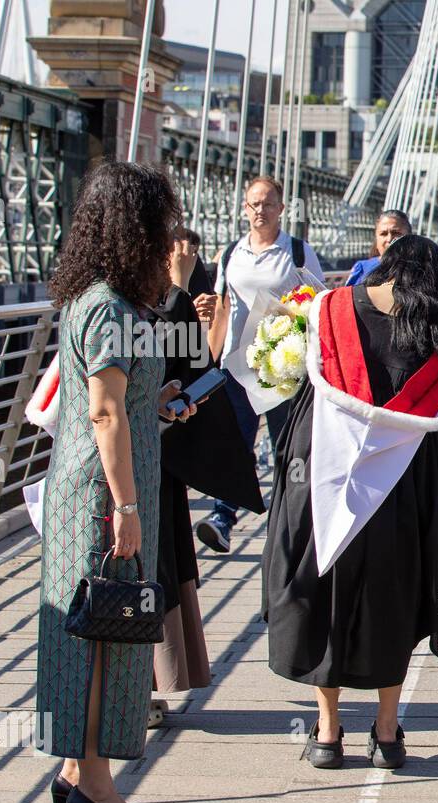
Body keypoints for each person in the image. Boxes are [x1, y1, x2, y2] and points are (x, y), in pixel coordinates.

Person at [263, 235, 438, 769]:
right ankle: (386, 733)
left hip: (325, 477)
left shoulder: (330, 308)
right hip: (399, 490)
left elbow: (304, 398)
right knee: (394, 599)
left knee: (324, 592)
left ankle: (328, 733)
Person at [37, 161, 197, 803]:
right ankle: (100, 786)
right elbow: (105, 414)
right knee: (108, 635)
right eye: (160, 222)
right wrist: (128, 510)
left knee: (90, 630)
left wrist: (157, 404)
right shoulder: (109, 306)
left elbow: (116, 403)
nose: (169, 236)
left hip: (88, 488)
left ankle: (77, 773)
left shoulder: (92, 299)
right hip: (103, 499)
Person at [150, 229, 264, 722]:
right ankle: (140, 690)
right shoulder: (159, 303)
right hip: (144, 464)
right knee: (148, 568)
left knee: (137, 572)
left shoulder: (103, 300)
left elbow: (198, 365)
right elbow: (195, 370)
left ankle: (136, 691)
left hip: (135, 463)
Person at [192, 176, 324, 554]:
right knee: (235, 444)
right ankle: (222, 518)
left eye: (267, 203)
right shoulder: (232, 252)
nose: (260, 210)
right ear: (244, 209)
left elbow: (319, 302)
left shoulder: (297, 252)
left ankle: (288, 522)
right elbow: (221, 307)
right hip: (238, 365)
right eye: (253, 204)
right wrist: (209, 360)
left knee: (287, 447)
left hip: (283, 364)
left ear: (281, 209)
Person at [345, 209, 412, 287]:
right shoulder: (362, 268)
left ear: (410, 238)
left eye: (396, 233)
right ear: (376, 239)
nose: (389, 239)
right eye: (383, 234)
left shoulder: (421, 270)